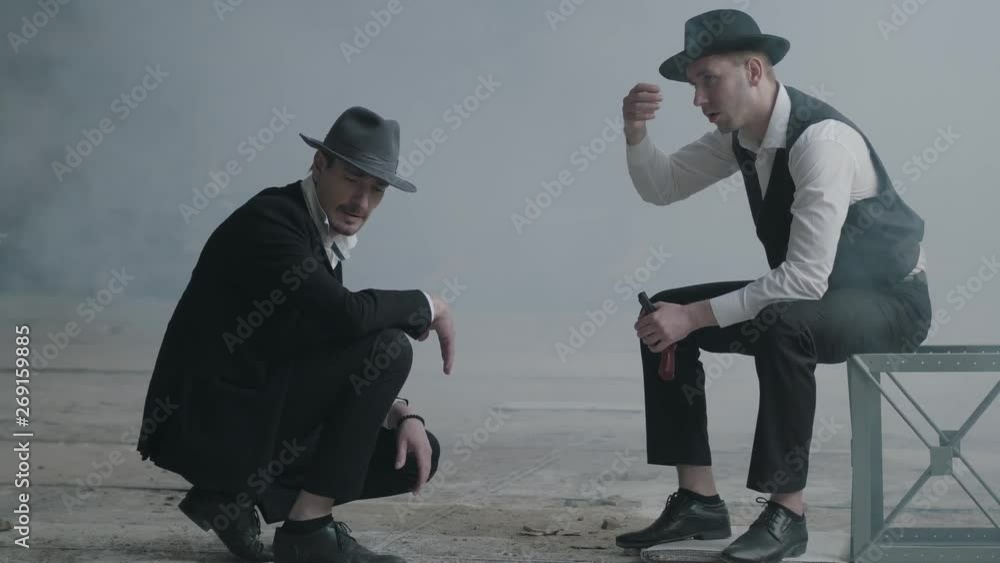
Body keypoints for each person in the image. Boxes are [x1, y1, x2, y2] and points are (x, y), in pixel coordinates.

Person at [615, 9, 931, 562]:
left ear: (755, 71)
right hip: (818, 296)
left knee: (777, 324)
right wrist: (635, 133)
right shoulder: (740, 137)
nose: (698, 98)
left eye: (708, 79)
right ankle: (699, 500)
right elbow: (661, 186)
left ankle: (789, 512)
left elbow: (804, 279)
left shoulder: (820, 142)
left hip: (891, 303)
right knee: (664, 315)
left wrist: (696, 318)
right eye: (693, 85)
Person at [136, 106, 456, 563]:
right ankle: (308, 530)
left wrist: (402, 414)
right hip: (202, 422)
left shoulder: (317, 234)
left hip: (249, 405)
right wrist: (429, 304)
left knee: (408, 458)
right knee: (388, 348)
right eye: (351, 180)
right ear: (319, 165)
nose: (362, 203)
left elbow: (324, 350)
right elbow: (347, 318)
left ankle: (231, 497)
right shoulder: (270, 223)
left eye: (376, 190)